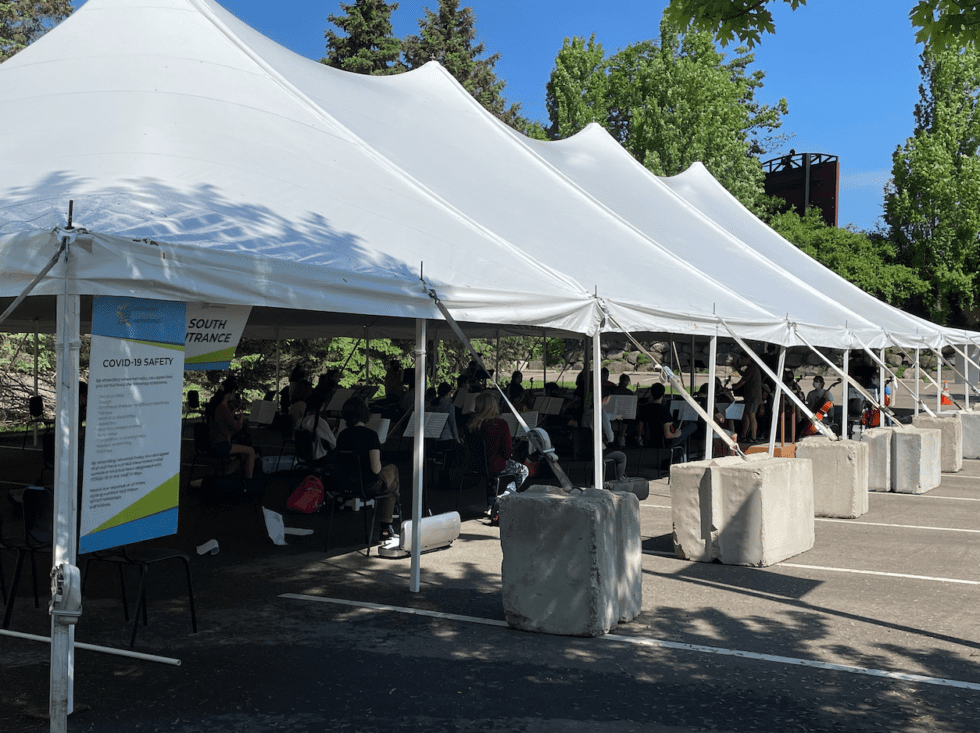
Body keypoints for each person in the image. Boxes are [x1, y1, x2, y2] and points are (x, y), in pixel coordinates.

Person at [336, 397, 400, 543]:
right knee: (393, 475)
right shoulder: (371, 435)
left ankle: (388, 522)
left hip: (346, 484)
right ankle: (386, 526)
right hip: (368, 485)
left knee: (390, 485)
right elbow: (376, 470)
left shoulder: (342, 436)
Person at [466, 392, 528, 523]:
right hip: (494, 464)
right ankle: (504, 499)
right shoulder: (500, 424)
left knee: (492, 476)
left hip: (476, 465)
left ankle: (490, 505)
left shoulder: (472, 425)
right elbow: (506, 453)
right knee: (523, 469)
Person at [643, 383, 698, 461]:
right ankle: (682, 459)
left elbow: (640, 430)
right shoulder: (664, 411)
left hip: (647, 441)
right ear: (663, 394)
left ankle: (680, 458)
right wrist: (676, 434)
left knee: (683, 435)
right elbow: (668, 435)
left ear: (651, 394)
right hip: (664, 442)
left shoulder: (645, 409)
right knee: (692, 426)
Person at [208, 389, 256, 479]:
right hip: (221, 445)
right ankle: (249, 480)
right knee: (251, 451)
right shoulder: (223, 408)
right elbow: (237, 428)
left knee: (241, 455)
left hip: (214, 444)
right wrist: (241, 418)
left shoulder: (217, 408)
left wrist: (233, 411)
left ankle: (226, 476)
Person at [583, 386, 627, 482]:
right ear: (605, 399)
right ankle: (619, 481)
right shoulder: (601, 412)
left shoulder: (586, 410)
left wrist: (615, 416)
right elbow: (610, 437)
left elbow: (607, 416)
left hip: (583, 449)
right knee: (621, 456)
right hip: (598, 450)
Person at [732, 355, 763, 443]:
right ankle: (743, 435)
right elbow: (744, 375)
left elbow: (743, 380)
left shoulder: (752, 368)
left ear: (748, 359)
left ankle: (753, 437)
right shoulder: (751, 368)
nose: (741, 360)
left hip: (753, 396)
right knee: (746, 416)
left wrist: (734, 388)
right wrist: (736, 368)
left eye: (743, 358)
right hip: (750, 396)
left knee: (751, 416)